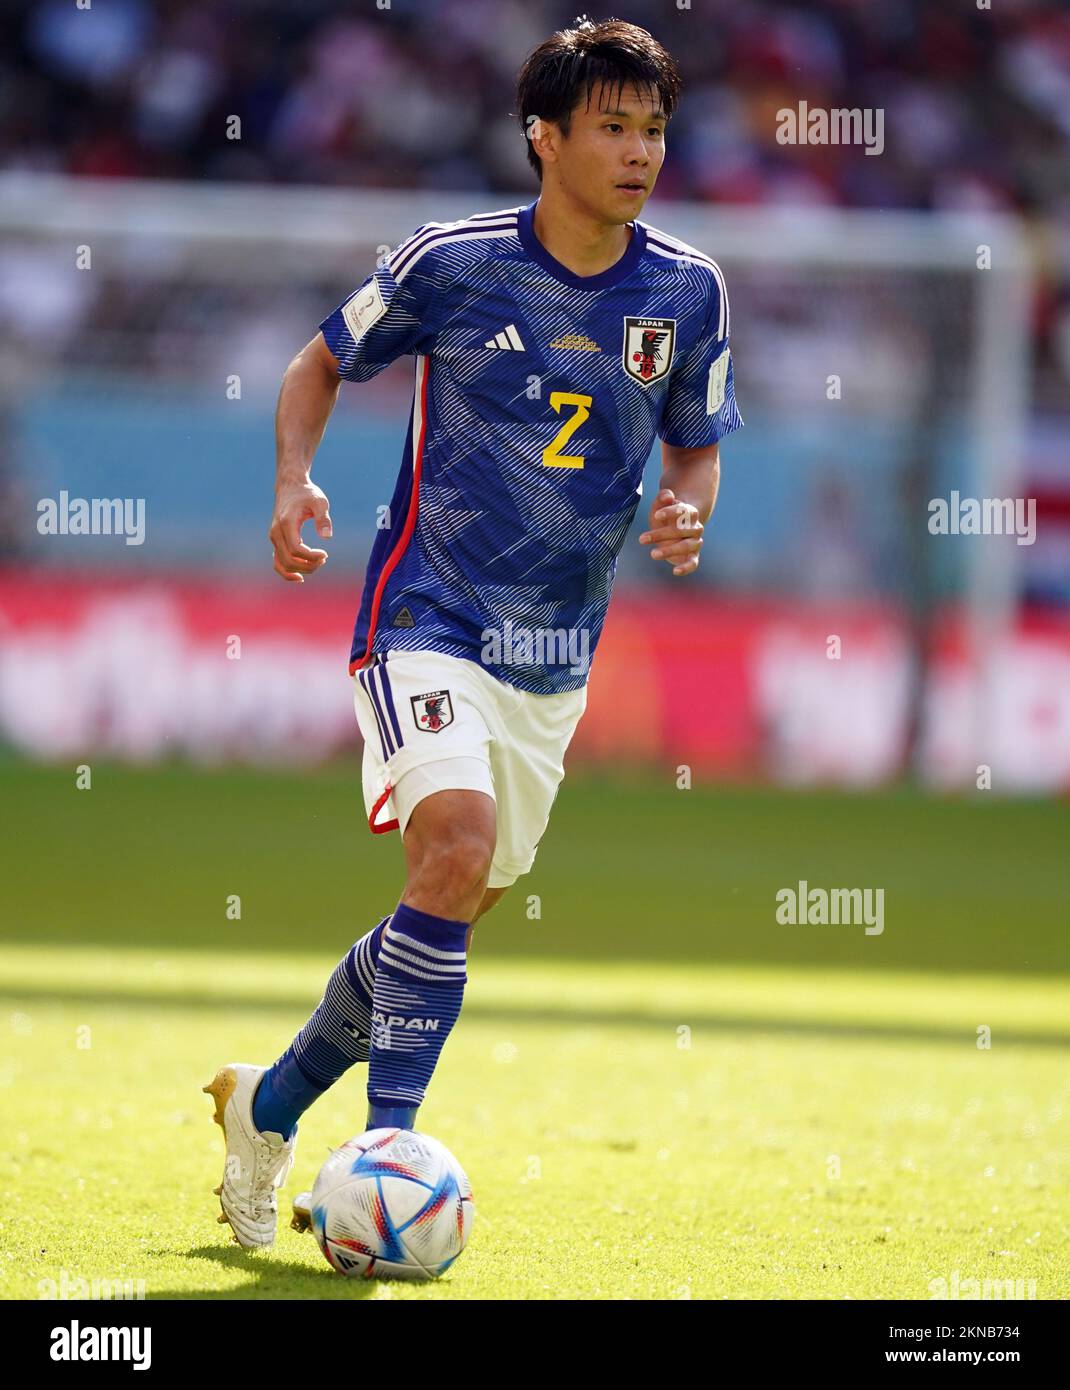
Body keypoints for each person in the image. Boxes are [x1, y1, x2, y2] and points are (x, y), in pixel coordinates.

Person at [204, 15, 742, 1248]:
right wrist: (294, 485)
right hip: (424, 619)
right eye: (611, 126)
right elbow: (316, 363)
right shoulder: (451, 263)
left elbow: (697, 445)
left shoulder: (687, 289)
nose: (639, 150)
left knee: (446, 906)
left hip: (553, 664)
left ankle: (268, 1101)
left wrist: (685, 511)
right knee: (453, 848)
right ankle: (390, 1154)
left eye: (653, 128)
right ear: (543, 137)